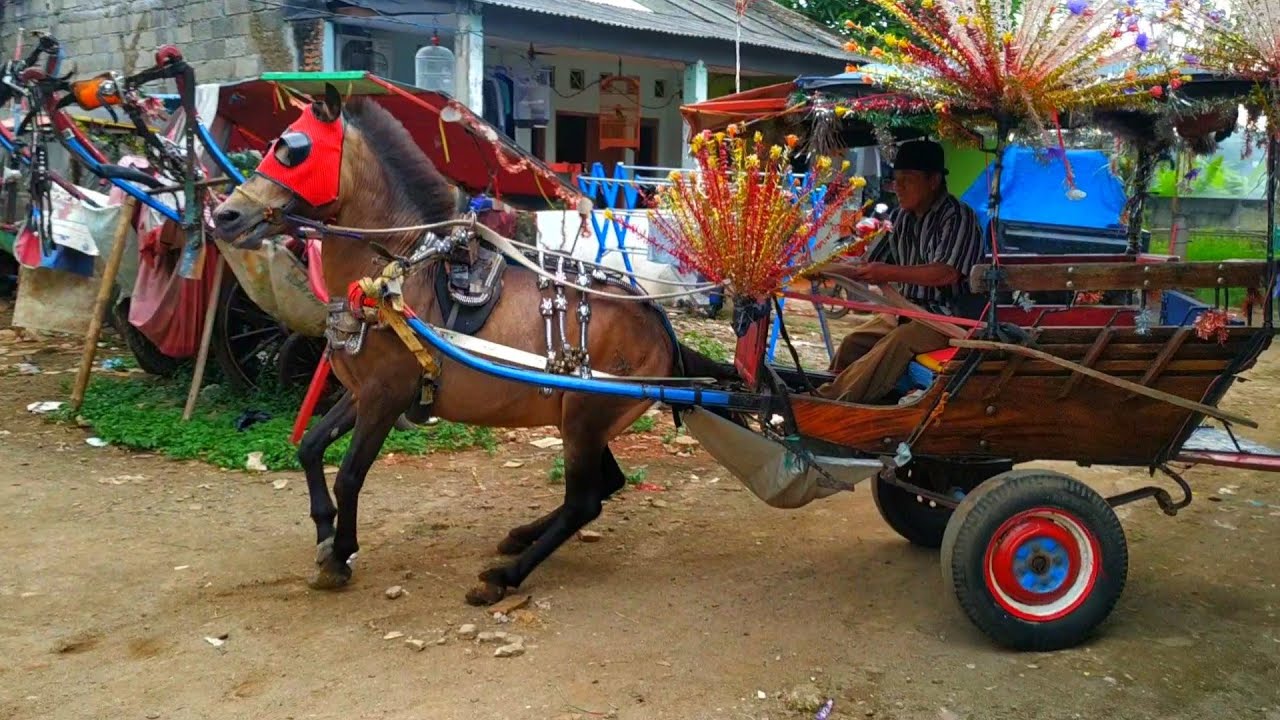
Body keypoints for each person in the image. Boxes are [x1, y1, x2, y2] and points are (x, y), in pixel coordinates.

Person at [816, 139, 984, 404]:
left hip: (947, 320)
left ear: (933, 181)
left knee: (894, 345)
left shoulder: (958, 216)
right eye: (896, 179)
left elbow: (945, 273)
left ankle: (831, 403)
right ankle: (824, 391)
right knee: (853, 342)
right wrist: (818, 269)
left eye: (908, 179)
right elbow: (868, 264)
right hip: (906, 313)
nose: (899, 187)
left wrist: (887, 273)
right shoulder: (902, 217)